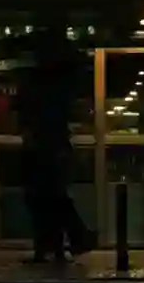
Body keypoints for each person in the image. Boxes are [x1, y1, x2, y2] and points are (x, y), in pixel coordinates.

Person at [13, 25, 95, 262]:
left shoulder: (38, 85)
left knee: (43, 199)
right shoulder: (59, 85)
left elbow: (26, 114)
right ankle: (64, 243)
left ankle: (56, 245)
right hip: (52, 146)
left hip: (44, 148)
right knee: (52, 198)